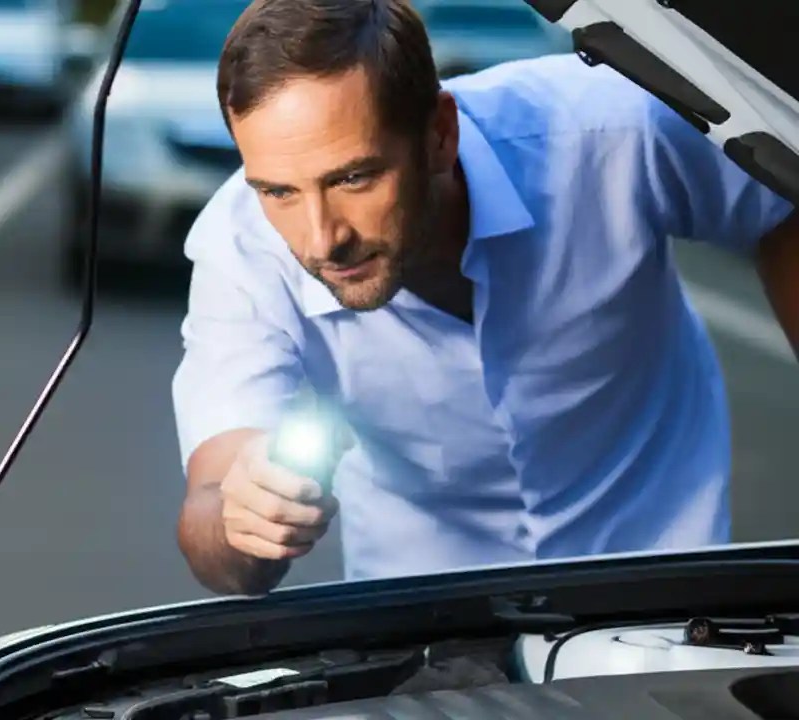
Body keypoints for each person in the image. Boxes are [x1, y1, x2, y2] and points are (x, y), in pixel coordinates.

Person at [171, 0, 799, 596]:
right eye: (278, 192)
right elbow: (210, 506)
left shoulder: (613, 128)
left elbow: (779, 198)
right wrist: (246, 515)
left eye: (354, 177)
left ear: (440, 135)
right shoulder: (240, 250)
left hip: (661, 596)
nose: (321, 238)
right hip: (422, 617)